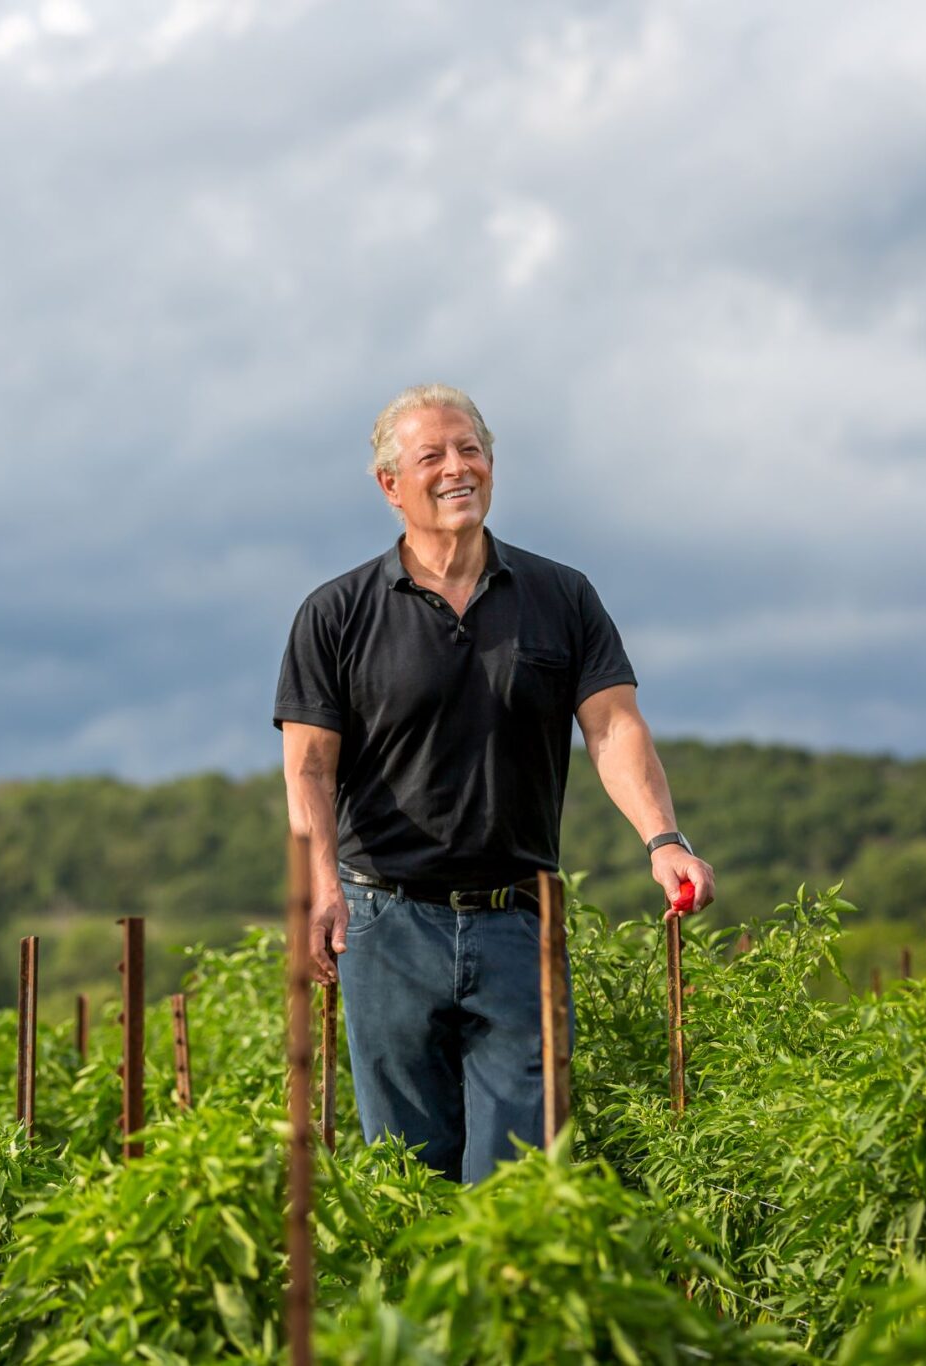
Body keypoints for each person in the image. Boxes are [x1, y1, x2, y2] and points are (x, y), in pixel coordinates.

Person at [273, 382, 714, 1183]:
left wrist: (663, 838)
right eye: (431, 456)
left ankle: (506, 1311)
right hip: (385, 920)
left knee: (520, 1183)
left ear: (493, 464)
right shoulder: (335, 613)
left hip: (518, 922)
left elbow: (613, 726)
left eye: (470, 449)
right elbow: (308, 765)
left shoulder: (560, 596)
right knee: (408, 1183)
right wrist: (316, 887)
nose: (456, 469)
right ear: (389, 485)